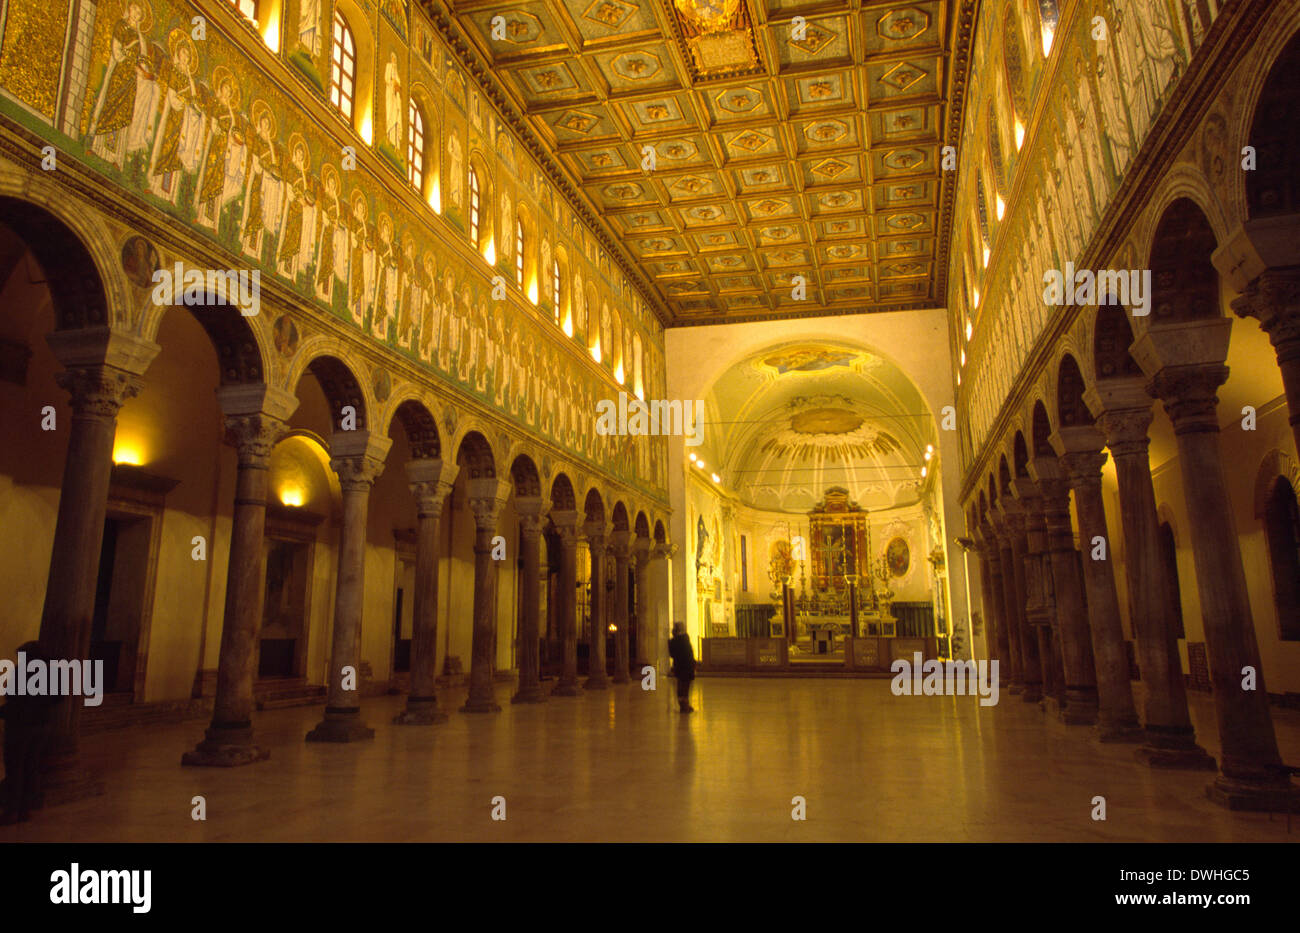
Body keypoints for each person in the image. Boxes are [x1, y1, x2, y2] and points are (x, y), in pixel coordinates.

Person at [1, 641, 61, 824]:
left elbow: (13, 698)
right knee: (31, 767)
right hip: (41, 726)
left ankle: (12, 810)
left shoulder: (22, 671)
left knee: (15, 768)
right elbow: (58, 698)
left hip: (20, 726)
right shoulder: (53, 672)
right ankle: (25, 810)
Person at [668, 623, 695, 713]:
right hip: (686, 666)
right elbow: (689, 653)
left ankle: (682, 706)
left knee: (680, 686)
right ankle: (685, 706)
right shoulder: (685, 639)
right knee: (685, 687)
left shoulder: (672, 641)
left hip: (678, 666)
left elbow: (671, 654)